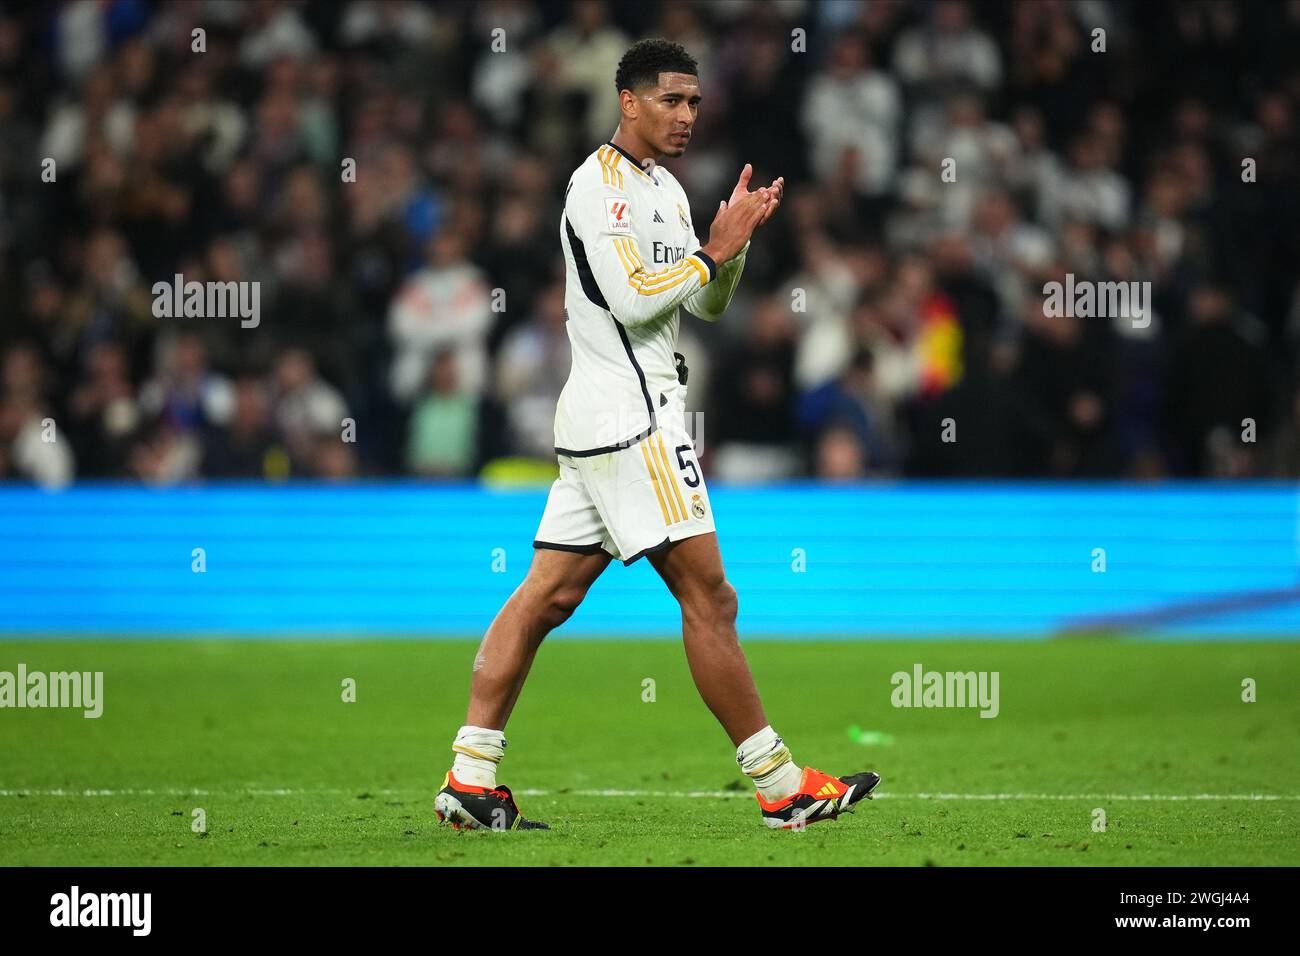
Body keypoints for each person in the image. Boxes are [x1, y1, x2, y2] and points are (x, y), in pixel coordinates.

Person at [435, 39, 879, 832]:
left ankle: (469, 776)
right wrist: (712, 251)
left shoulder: (667, 191)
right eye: (670, 101)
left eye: (695, 103)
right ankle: (781, 787)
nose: (685, 116)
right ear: (628, 101)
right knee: (710, 597)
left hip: (613, 423)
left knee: (546, 597)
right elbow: (638, 301)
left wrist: (728, 252)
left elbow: (701, 305)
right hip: (630, 422)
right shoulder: (595, 187)